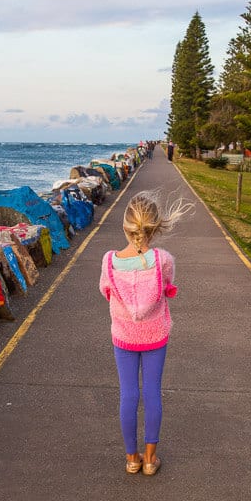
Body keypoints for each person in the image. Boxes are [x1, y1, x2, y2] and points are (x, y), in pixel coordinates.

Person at [99, 190, 193, 476]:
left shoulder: (109, 261)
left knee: (128, 394)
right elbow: (167, 286)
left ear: (126, 226)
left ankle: (131, 459)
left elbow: (106, 291)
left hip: (124, 337)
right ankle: (151, 460)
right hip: (155, 335)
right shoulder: (163, 260)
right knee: (152, 392)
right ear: (154, 227)